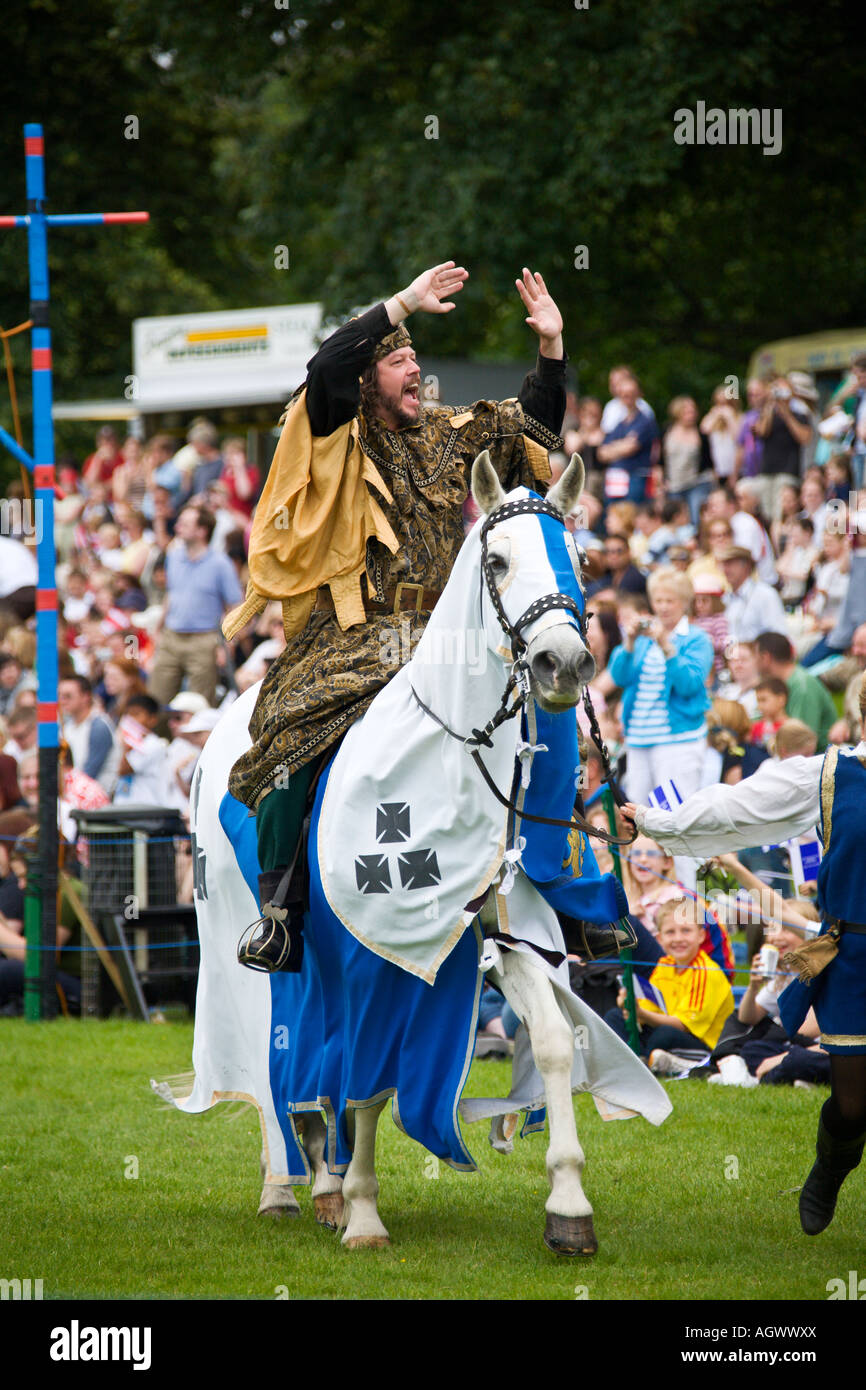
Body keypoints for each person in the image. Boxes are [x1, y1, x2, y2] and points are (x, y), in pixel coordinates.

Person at [228, 262, 570, 972]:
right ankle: (280, 912)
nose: (412, 363)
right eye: (395, 357)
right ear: (366, 378)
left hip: (446, 636)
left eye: (415, 354)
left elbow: (533, 429)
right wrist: (401, 304)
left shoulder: (452, 432)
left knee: (551, 710)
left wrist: (551, 350)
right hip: (355, 636)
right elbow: (325, 367)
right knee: (291, 732)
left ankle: (572, 892)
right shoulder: (337, 433)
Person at [623, 673, 866, 1235]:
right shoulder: (833, 774)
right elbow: (742, 804)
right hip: (851, 953)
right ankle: (829, 1167)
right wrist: (659, 822)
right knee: (853, 1103)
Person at [607, 566, 713, 807]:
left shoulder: (696, 638)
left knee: (673, 812)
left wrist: (666, 646)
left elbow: (689, 684)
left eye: (670, 601)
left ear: (684, 603)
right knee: (637, 812)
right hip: (638, 738)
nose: (663, 607)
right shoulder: (643, 638)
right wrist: (629, 643)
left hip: (678, 740)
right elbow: (619, 677)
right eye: (658, 600)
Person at [603, 896, 734, 1069]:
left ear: (701, 936)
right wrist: (630, 1007)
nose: (678, 938)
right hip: (662, 1028)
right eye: (670, 932)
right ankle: (637, 1061)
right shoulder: (664, 965)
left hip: (700, 1042)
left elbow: (683, 1025)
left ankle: (647, 1061)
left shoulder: (706, 972)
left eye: (686, 931)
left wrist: (641, 1014)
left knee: (664, 1035)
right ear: (660, 939)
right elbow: (647, 1011)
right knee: (614, 1017)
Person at [148, 506, 243, 707]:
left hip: (204, 639)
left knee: (200, 704)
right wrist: (157, 629)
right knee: (156, 699)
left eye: (185, 523)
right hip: (171, 637)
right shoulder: (173, 557)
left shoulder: (220, 563)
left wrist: (228, 643)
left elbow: (236, 605)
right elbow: (171, 595)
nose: (178, 526)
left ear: (202, 531)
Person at [753, 630, 837, 751]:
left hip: (818, 759)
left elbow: (801, 740)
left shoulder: (803, 685)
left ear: (765, 658)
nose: (754, 662)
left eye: (755, 656)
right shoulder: (777, 683)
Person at [596, 373, 659, 504]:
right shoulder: (619, 423)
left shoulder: (645, 421)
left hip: (636, 478)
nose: (627, 398)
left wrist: (613, 447)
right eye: (623, 394)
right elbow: (601, 453)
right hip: (616, 481)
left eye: (631, 393)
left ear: (639, 394)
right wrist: (623, 444)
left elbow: (630, 448)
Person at [719, 546, 788, 643]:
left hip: (758, 654)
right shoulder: (725, 598)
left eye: (730, 564)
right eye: (724, 565)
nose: (726, 570)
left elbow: (778, 634)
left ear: (746, 565)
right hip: (732, 654)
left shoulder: (765, 594)